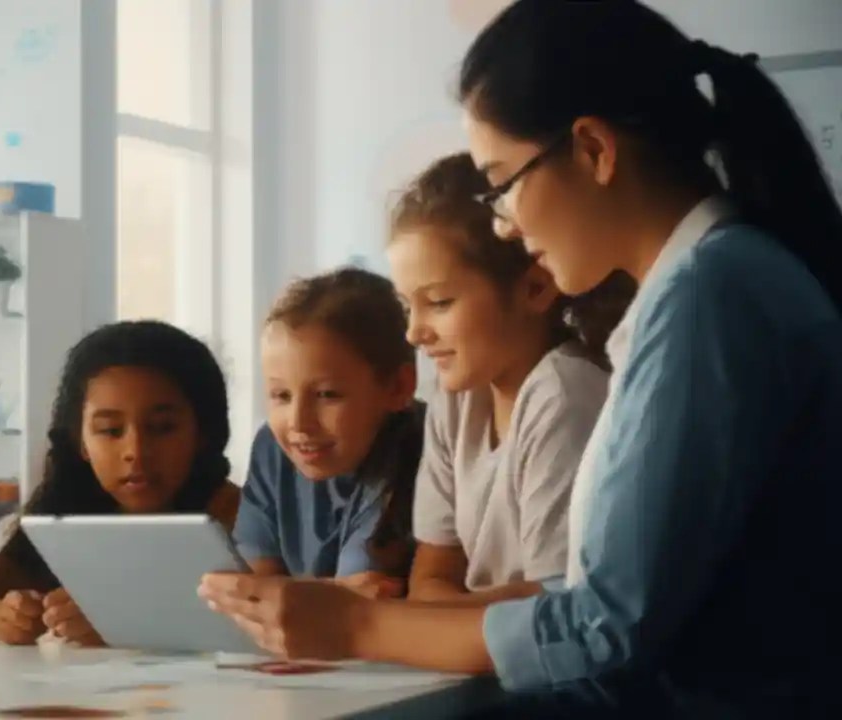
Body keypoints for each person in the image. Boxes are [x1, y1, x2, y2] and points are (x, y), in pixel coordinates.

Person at [201, 2, 842, 715]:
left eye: (502, 183)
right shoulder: (699, 288)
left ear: (594, 150)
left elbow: (605, 627)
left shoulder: (709, 297)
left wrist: (357, 624)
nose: (504, 222)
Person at [390, 152, 621, 607]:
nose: (413, 332)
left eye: (438, 302)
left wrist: (413, 621)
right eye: (405, 306)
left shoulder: (565, 396)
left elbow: (551, 605)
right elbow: (431, 574)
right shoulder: (454, 398)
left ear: (534, 288)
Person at [0, 320, 239, 646]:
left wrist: (123, 626)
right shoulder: (65, 515)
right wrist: (3, 618)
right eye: (110, 431)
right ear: (80, 441)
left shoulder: (239, 515)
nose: (135, 452)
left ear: (202, 432)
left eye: (162, 427)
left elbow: (262, 619)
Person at [234, 268, 424, 599]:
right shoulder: (272, 447)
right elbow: (252, 588)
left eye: (327, 395)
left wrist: (285, 594)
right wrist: (328, 593)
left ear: (397, 387)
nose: (298, 422)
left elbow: (361, 596)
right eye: (281, 396)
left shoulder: (414, 447)